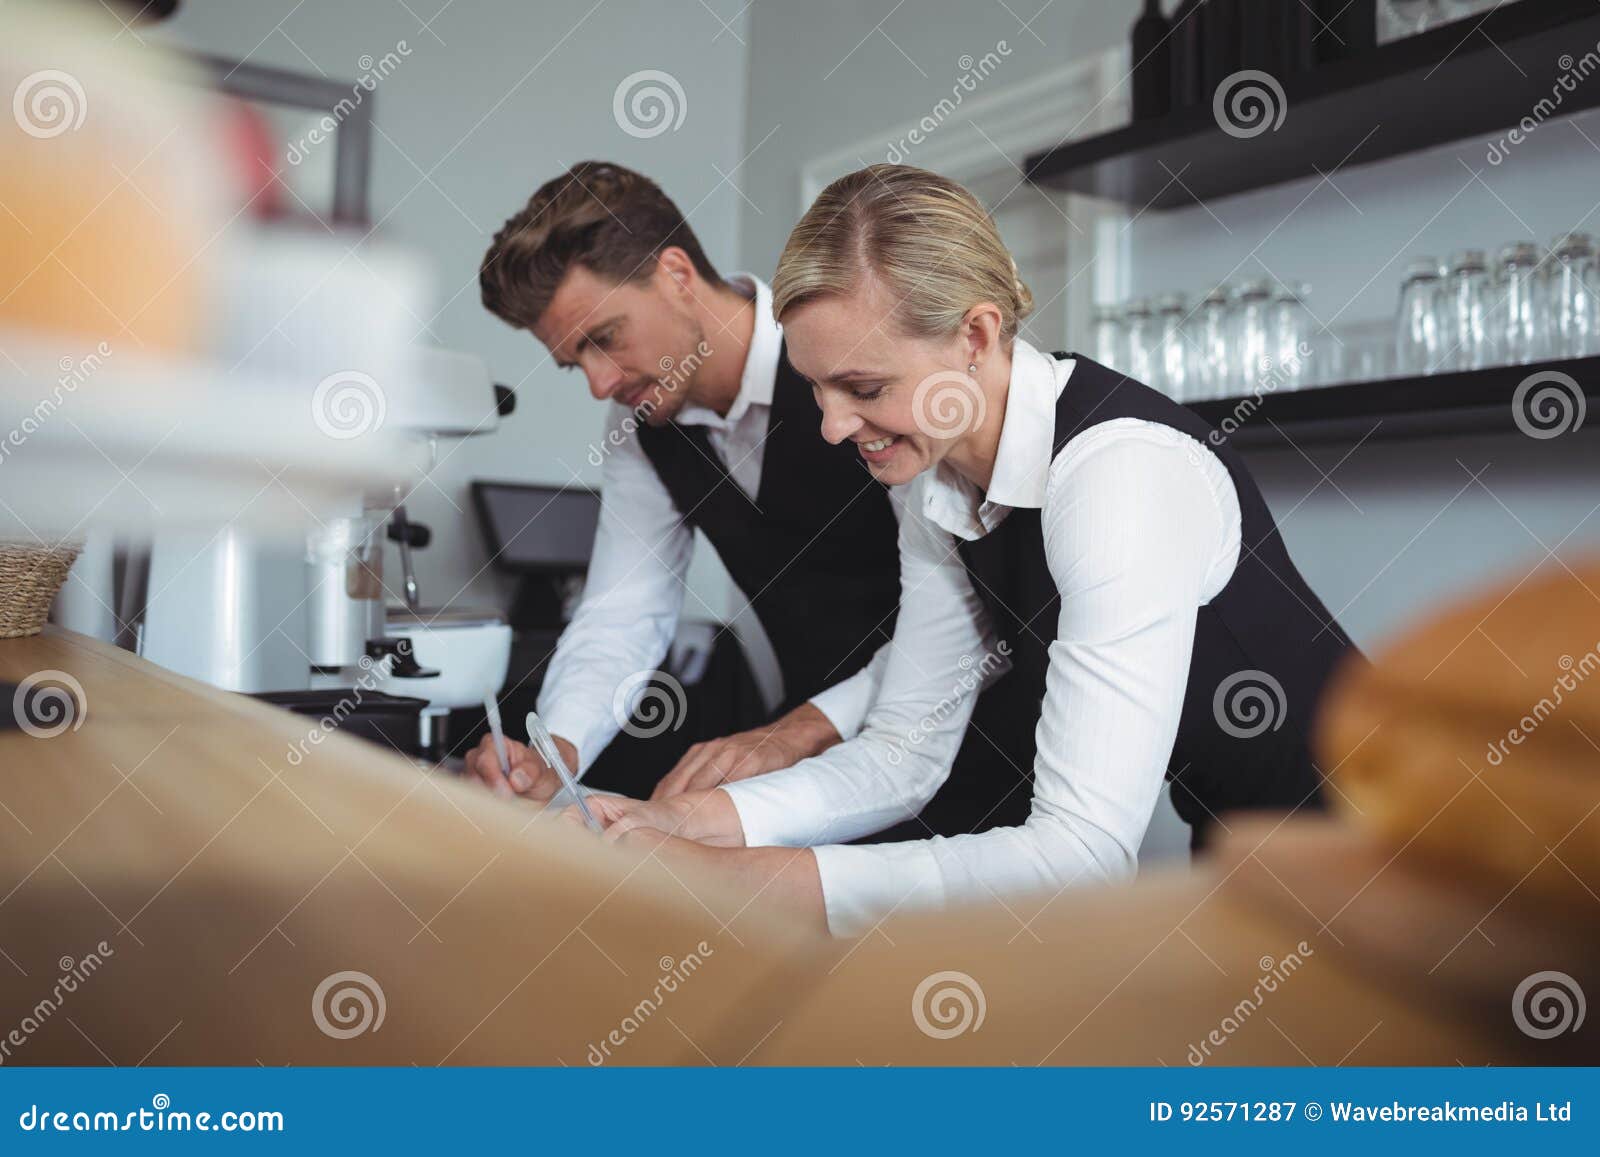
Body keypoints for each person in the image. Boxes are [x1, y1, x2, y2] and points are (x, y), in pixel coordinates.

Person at [574, 164, 1362, 937]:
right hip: (1250, 847)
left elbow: (1081, 856)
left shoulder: (1119, 474)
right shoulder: (934, 487)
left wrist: (745, 878)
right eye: (817, 387)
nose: (832, 427)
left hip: (1388, 847)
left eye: (865, 387)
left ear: (976, 335)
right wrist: (687, 820)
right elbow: (901, 753)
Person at [466, 162, 1023, 839]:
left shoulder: (850, 366)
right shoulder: (640, 427)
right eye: (572, 361)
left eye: (604, 338)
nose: (599, 382)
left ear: (675, 274)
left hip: (979, 739)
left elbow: (963, 616)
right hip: (810, 761)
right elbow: (622, 613)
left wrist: (794, 734)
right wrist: (558, 750)